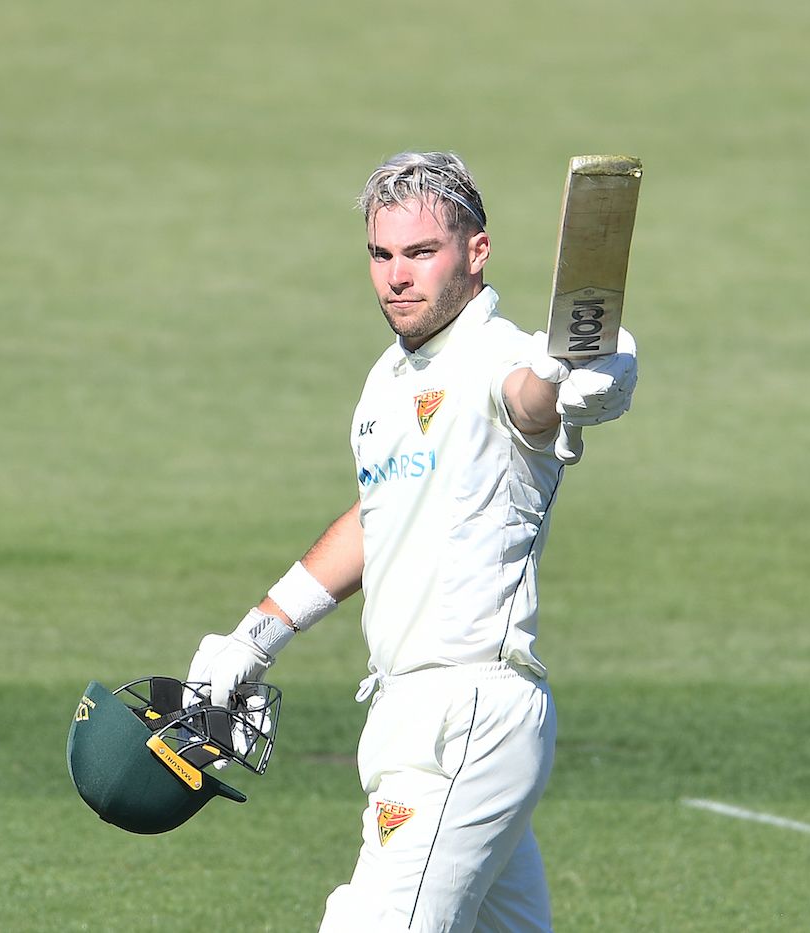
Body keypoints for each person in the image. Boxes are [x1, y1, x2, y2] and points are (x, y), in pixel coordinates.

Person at [186, 151, 638, 932]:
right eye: (382, 255)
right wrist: (254, 637)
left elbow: (530, 402)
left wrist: (582, 373)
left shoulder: (501, 357)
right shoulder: (387, 382)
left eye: (421, 253)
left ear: (476, 251)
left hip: (468, 711)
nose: (398, 276)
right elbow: (376, 517)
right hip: (407, 712)